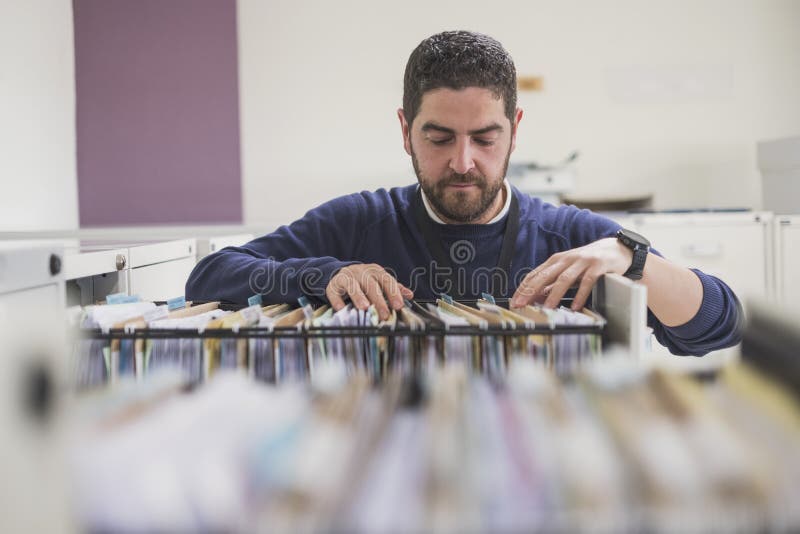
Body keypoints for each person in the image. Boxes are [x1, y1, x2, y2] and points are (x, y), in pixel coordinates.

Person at [186, 30, 741, 356]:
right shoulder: (359, 221)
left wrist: (631, 256)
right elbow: (210, 275)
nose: (462, 162)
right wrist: (323, 273)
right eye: (438, 137)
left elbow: (719, 324)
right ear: (405, 130)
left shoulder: (570, 236)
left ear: (515, 130)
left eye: (485, 137)